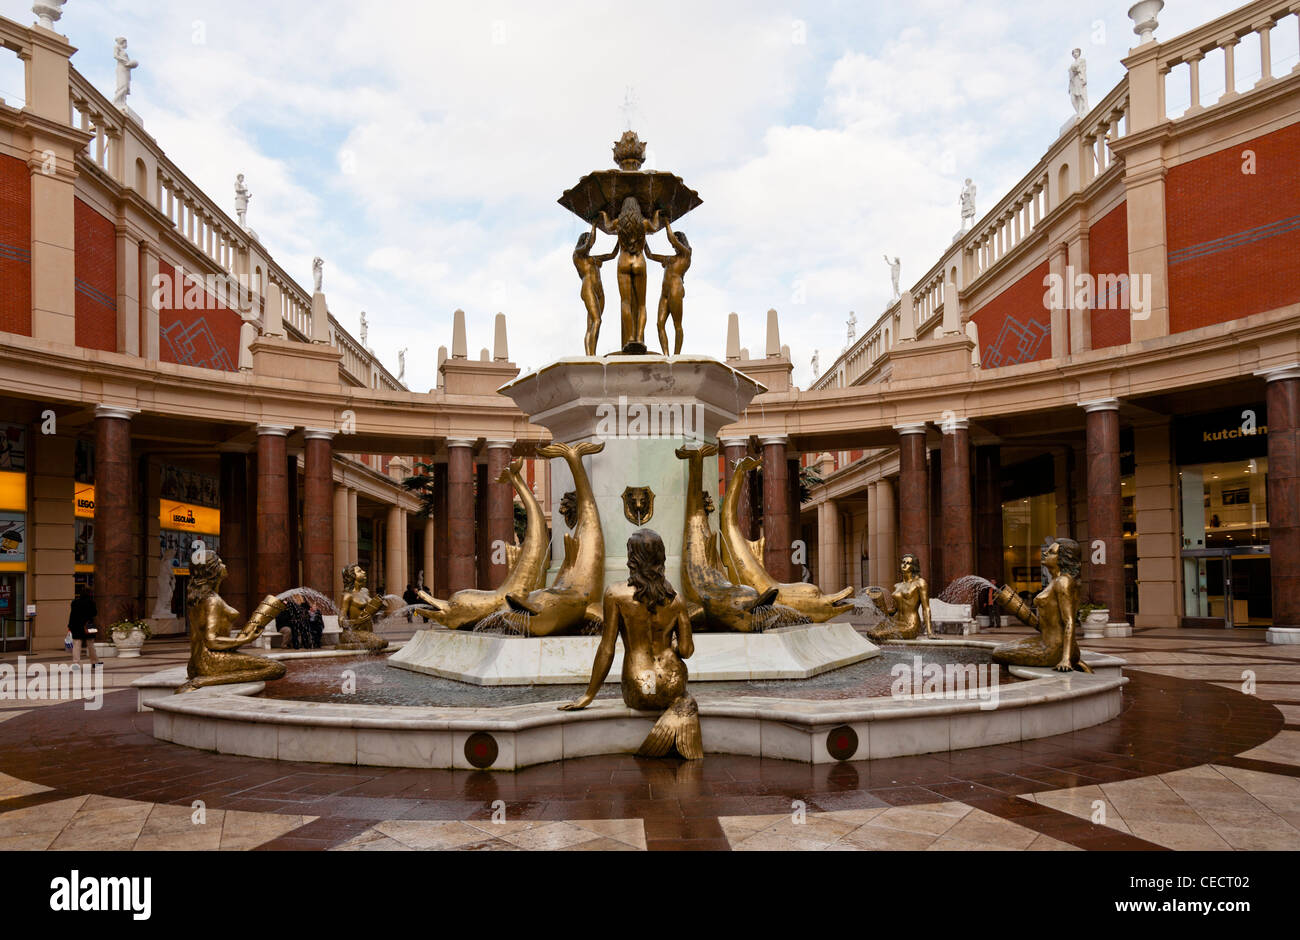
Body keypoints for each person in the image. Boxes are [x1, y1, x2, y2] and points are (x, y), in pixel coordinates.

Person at [67, 586, 100, 668]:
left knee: (77, 645)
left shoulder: (75, 602)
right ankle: (94, 662)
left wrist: (70, 626)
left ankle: (76, 663)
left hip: (76, 626)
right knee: (91, 645)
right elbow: (94, 613)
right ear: (89, 594)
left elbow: (72, 615)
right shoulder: (91, 602)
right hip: (88, 625)